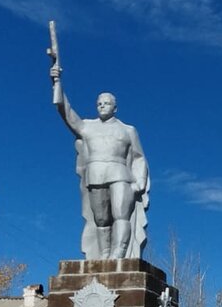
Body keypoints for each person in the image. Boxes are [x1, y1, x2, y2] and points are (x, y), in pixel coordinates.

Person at [50, 56, 149, 260]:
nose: (102, 106)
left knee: (121, 215)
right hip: (95, 175)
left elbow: (139, 158)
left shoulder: (128, 130)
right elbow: (64, 110)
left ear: (115, 107)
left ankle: (118, 254)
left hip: (120, 174)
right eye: (99, 103)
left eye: (106, 103)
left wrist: (139, 181)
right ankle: (103, 255)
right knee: (101, 218)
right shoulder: (87, 126)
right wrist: (57, 82)